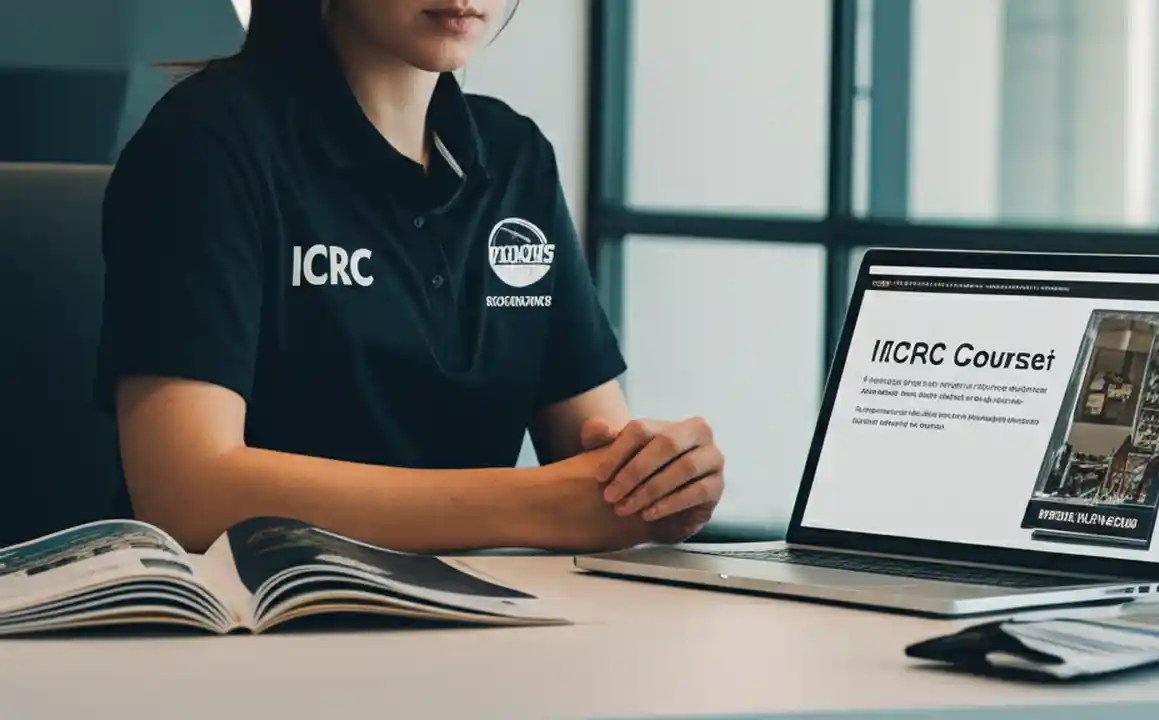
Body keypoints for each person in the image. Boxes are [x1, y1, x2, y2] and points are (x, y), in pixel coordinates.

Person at [95, 0, 725, 553]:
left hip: (487, 621)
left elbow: (598, 467)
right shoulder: (206, 140)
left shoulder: (515, 156)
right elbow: (187, 493)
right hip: (257, 625)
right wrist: (545, 504)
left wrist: (661, 479)